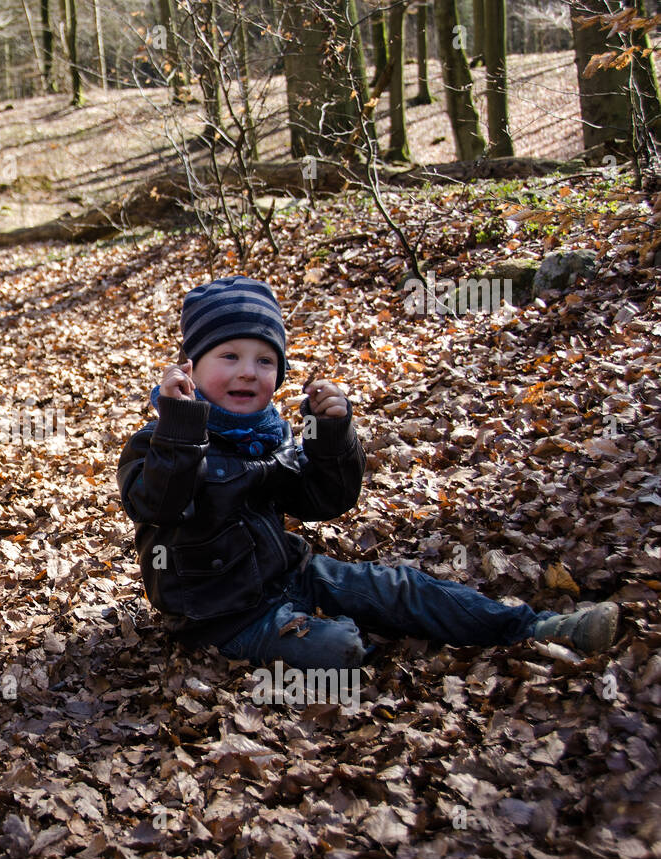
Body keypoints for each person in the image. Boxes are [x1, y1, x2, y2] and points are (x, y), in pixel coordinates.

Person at [116, 276, 619, 672]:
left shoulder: (271, 434)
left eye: (265, 360)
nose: (249, 371)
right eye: (229, 356)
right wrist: (181, 430)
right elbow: (158, 504)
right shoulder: (159, 439)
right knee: (341, 648)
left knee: (401, 588)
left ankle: (538, 628)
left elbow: (326, 500)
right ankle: (354, 647)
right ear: (189, 369)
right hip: (218, 617)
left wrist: (331, 436)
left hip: (291, 575)